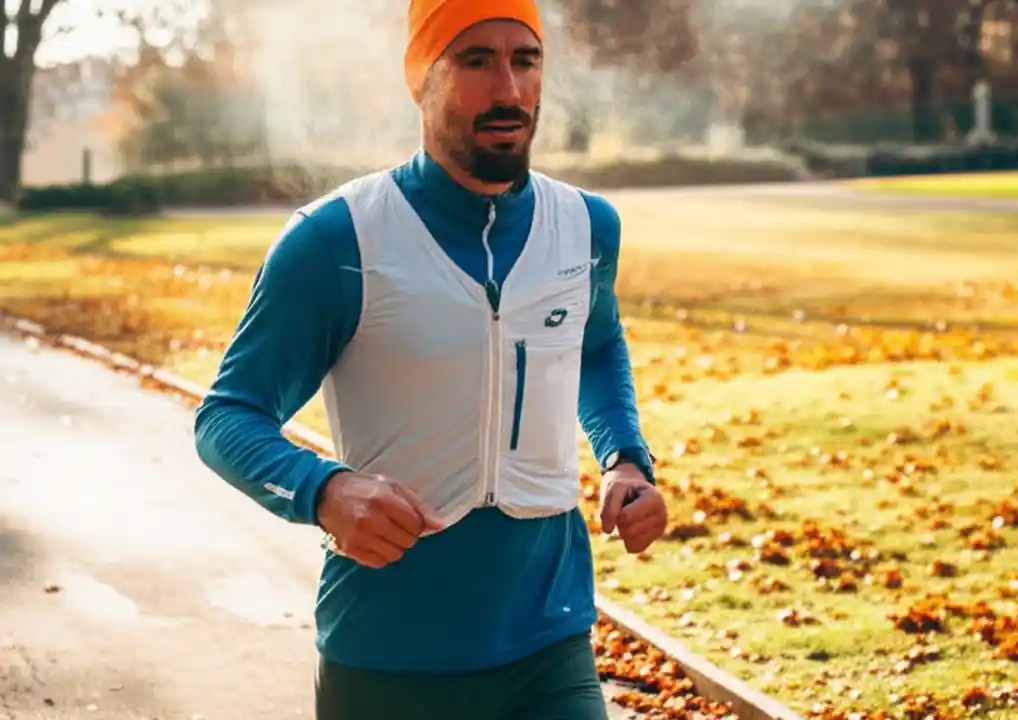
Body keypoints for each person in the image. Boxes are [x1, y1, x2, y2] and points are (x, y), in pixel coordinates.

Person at [192, 1, 667, 717]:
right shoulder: (336, 241)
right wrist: (324, 491)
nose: (508, 89)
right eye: (476, 61)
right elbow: (227, 417)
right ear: (423, 79)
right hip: (390, 654)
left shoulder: (587, 227)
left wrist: (625, 458)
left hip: (550, 639)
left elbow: (596, 344)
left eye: (525, 60)